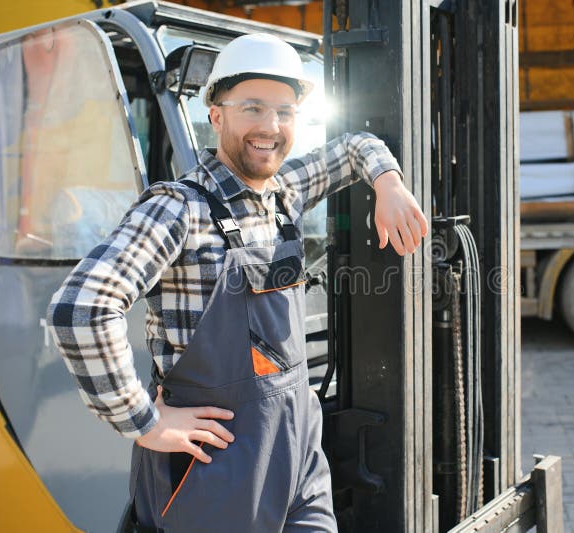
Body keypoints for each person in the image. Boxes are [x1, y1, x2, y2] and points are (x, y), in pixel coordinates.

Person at [47, 33, 428, 532]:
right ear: (217, 116)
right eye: (252, 108)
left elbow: (357, 145)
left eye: (285, 111)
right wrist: (143, 421)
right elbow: (81, 309)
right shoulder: (179, 208)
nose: (270, 126)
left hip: (298, 458)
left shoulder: (285, 193)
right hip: (214, 470)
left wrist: (388, 182)